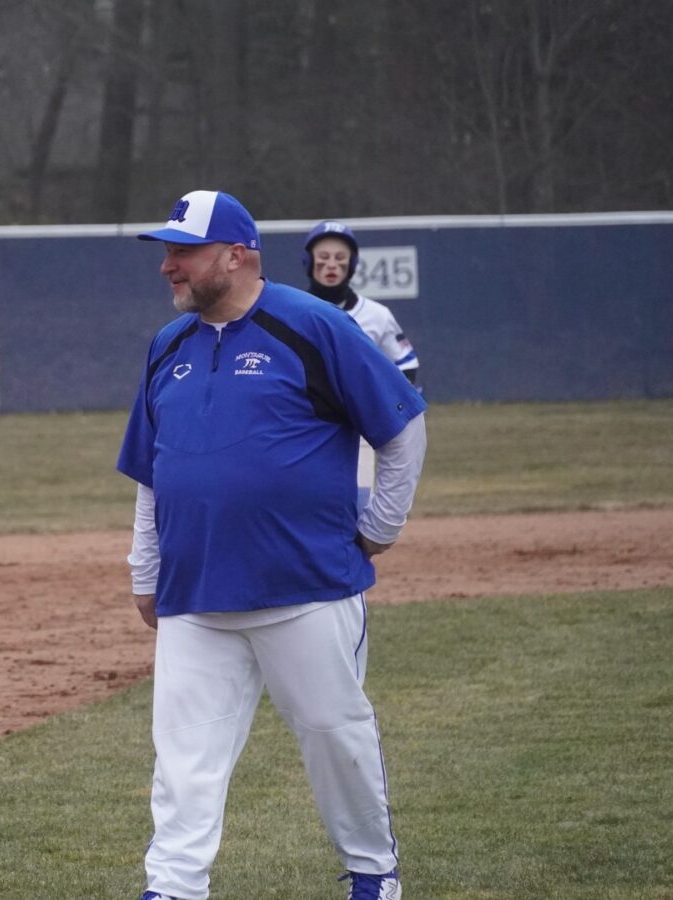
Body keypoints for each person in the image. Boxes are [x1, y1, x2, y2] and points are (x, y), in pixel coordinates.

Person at [118, 190, 426, 900]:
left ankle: (373, 874)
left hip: (306, 586)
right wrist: (145, 565)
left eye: (182, 252)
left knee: (333, 736)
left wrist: (379, 527)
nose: (168, 266)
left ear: (238, 255)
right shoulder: (169, 347)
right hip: (195, 592)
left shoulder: (311, 325)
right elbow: (151, 470)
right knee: (184, 758)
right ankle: (172, 887)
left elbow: (403, 428)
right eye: (166, 251)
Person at [303, 221, 419, 386]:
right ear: (309, 260)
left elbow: (406, 366)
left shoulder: (377, 315)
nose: (331, 264)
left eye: (340, 257)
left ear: (352, 263)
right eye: (323, 257)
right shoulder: (292, 313)